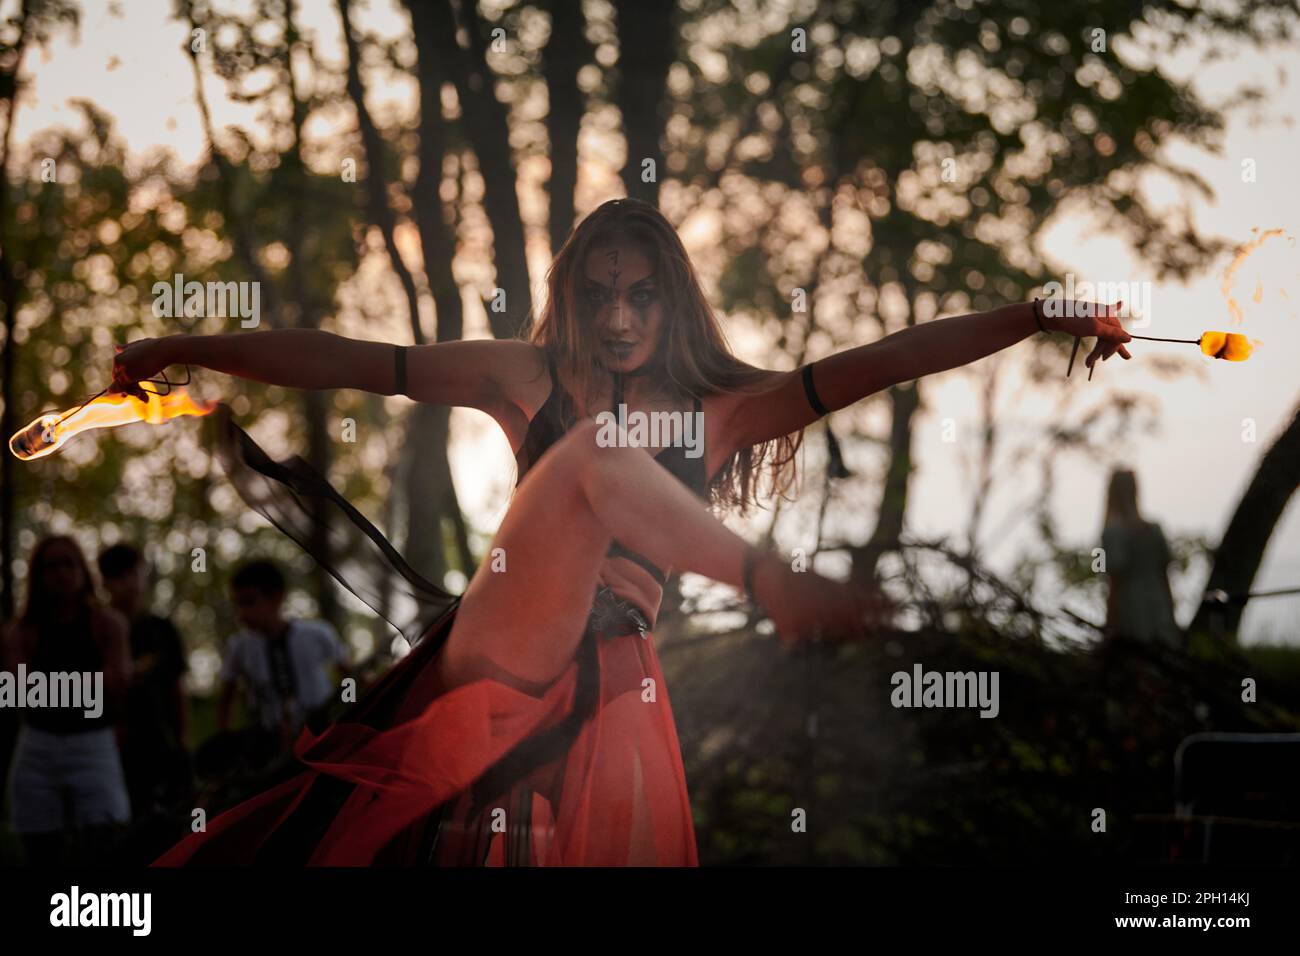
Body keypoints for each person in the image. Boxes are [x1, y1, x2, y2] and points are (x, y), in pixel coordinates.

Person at [112, 197, 1132, 865]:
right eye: (596, 293)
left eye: (640, 294)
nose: (616, 316)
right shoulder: (524, 376)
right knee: (595, 455)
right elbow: (347, 355)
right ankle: (765, 581)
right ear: (570, 295)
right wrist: (182, 343)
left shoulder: (722, 407)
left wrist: (1035, 314)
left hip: (622, 675)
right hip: (509, 631)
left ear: (671, 300)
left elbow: (887, 357)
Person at [2, 535, 132, 865]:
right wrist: (90, 687)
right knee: (40, 845)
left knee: (105, 841)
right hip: (38, 747)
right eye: (51, 566)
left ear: (83, 571)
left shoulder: (108, 624)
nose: (61, 573)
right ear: (37, 575)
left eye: (69, 564)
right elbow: (18, 690)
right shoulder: (20, 631)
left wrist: (46, 689)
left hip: (94, 745)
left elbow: (118, 682)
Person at [217, 560, 351, 761]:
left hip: (323, 733)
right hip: (271, 743)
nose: (242, 613)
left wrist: (353, 712)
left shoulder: (317, 633)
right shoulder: (240, 647)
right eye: (238, 604)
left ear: (276, 598)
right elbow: (228, 693)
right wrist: (225, 738)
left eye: (249, 602)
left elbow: (349, 675)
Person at [97, 543, 191, 821]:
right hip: (110, 745)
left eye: (133, 573)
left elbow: (176, 686)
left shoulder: (161, 629)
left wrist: (183, 738)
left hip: (159, 740)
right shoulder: (97, 630)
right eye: (117, 575)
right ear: (104, 581)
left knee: (169, 819)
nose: (127, 583)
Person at [1100, 468, 1181, 648]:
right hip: (1161, 612)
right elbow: (1165, 578)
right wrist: (1171, 618)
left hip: (1131, 614)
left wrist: (1110, 624)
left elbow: (1114, 582)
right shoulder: (1154, 530)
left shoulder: (1112, 533)